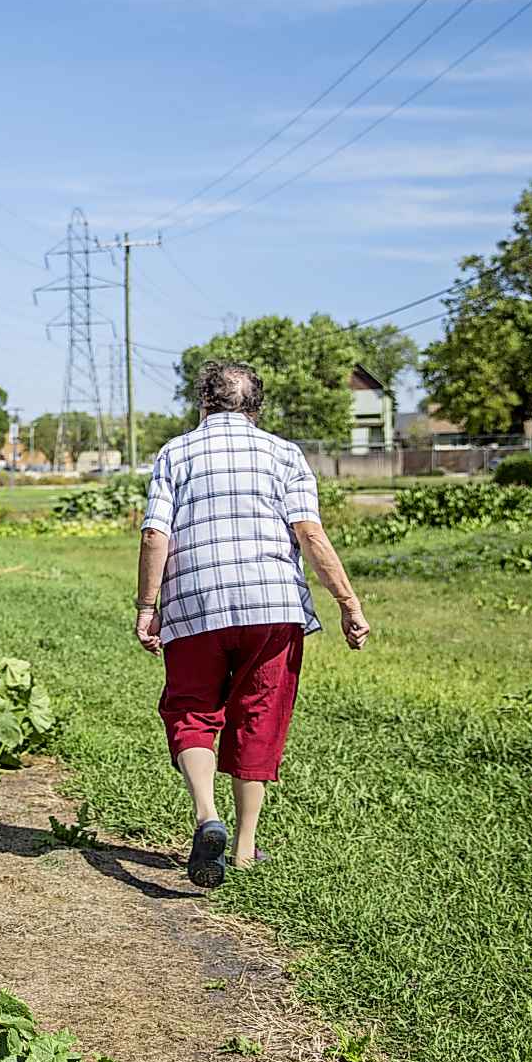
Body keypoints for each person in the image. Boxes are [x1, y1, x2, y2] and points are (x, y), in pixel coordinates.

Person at [132, 360, 370, 889]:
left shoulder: (176, 452)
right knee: (259, 716)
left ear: (203, 403)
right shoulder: (285, 454)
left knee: (192, 710)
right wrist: (348, 603)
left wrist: (148, 607)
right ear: (256, 407)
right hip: (273, 606)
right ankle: (242, 849)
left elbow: (155, 536)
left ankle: (205, 817)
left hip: (197, 603)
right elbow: (309, 533)